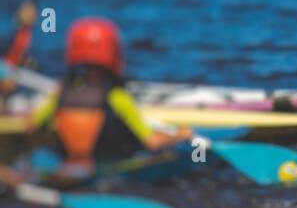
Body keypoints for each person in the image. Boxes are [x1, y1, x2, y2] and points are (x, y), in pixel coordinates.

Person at [24, 17, 189, 166]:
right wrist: (180, 136)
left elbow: (32, 126)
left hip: (69, 164)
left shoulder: (62, 91)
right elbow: (152, 142)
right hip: (110, 167)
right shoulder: (117, 96)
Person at [0, 0, 38, 102]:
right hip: (5, 76)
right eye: (28, 13)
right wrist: (3, 76)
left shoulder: (29, 34)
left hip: (16, 76)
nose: (31, 16)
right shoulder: (8, 32)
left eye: (33, 14)